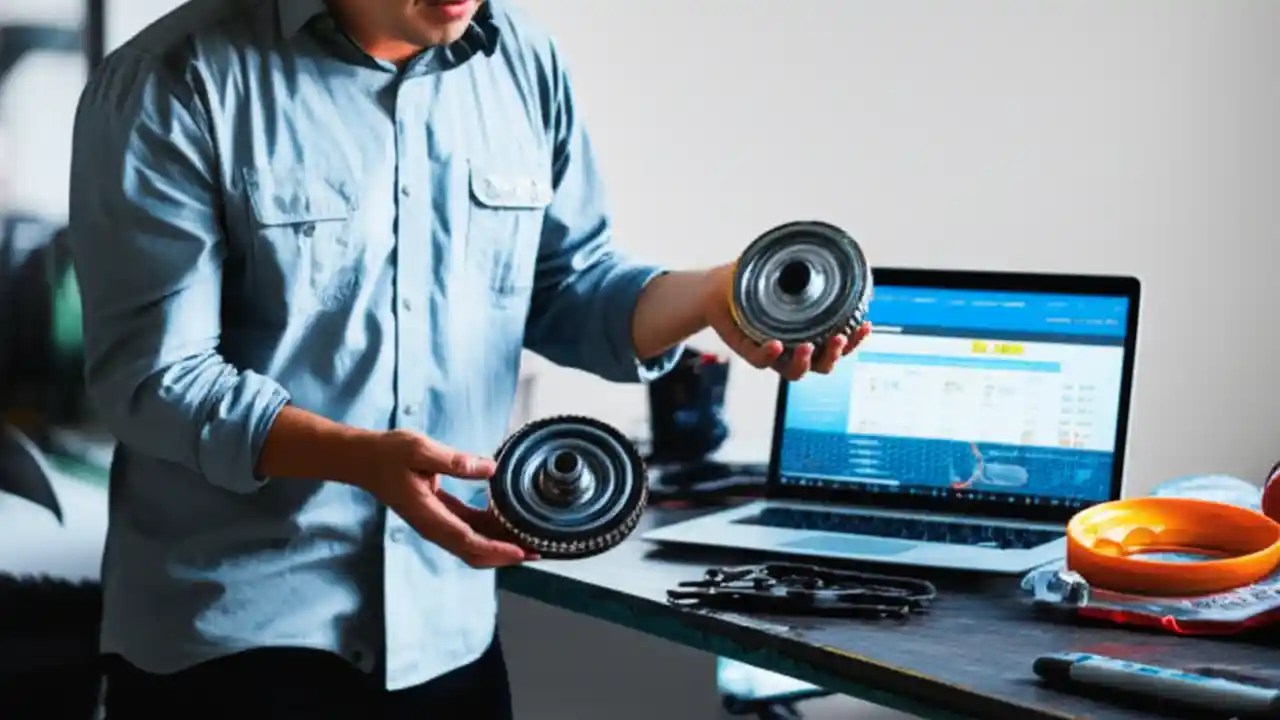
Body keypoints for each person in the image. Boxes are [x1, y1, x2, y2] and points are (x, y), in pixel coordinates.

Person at [65, 0, 871, 717]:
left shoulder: (524, 61)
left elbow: (567, 286)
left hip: (446, 636)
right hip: (236, 645)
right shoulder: (171, 79)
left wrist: (713, 296)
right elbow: (158, 379)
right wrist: (359, 459)